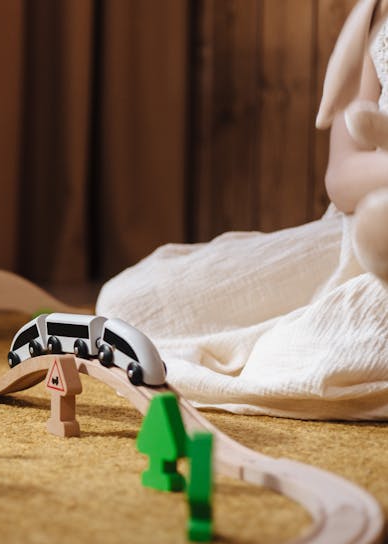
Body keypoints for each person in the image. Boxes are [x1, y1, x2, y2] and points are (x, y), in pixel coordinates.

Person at [95, 0, 388, 420]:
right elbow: (342, 177)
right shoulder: (377, 14)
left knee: (331, 352)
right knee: (128, 304)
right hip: (354, 239)